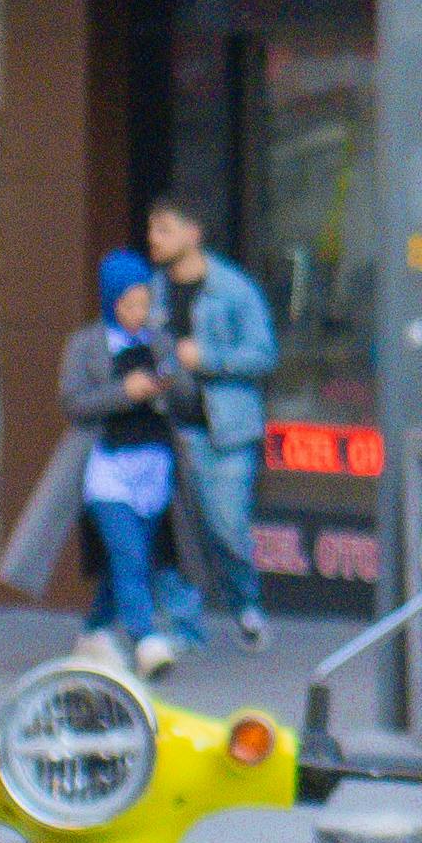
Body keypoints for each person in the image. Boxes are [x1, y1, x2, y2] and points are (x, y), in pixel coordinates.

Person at [147, 197, 280, 640]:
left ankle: (246, 605)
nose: (154, 239)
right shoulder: (154, 290)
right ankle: (185, 626)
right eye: (152, 229)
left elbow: (263, 355)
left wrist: (209, 358)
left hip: (224, 432)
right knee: (175, 534)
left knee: (227, 527)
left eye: (164, 229)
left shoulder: (234, 289)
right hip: (170, 428)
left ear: (193, 234)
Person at [71, 259, 201, 676]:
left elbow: (188, 396)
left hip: (153, 467)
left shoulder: (159, 340)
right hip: (108, 469)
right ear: (112, 302)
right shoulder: (85, 345)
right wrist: (124, 392)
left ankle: (93, 633)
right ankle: (145, 640)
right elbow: (73, 402)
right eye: (129, 305)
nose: (138, 314)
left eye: (144, 304)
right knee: (128, 553)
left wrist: (171, 377)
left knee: (129, 559)